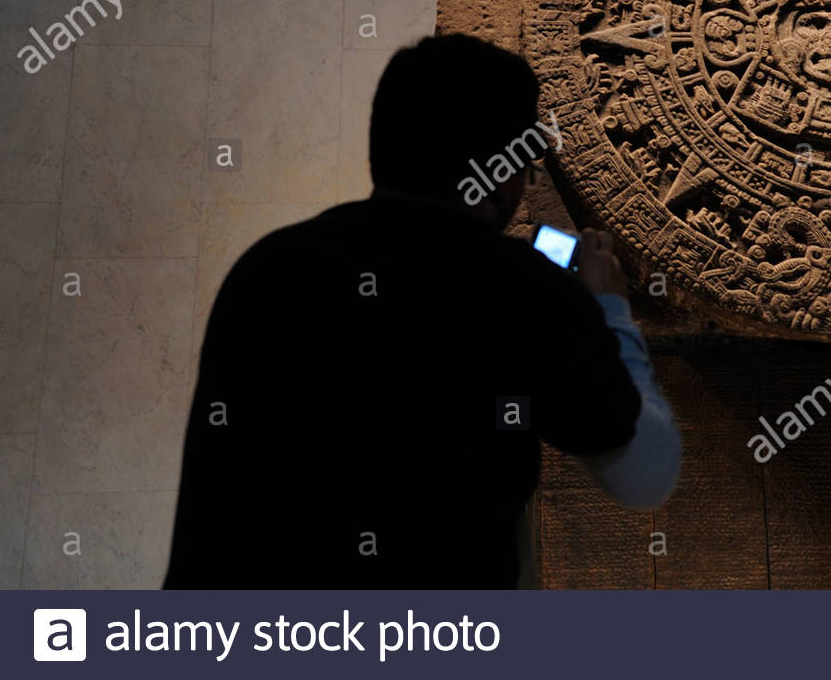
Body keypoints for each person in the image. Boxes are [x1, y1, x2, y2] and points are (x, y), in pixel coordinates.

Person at [163, 34, 681, 588]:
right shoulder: (518, 289)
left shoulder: (269, 265)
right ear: (501, 175)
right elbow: (645, 474)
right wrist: (607, 310)